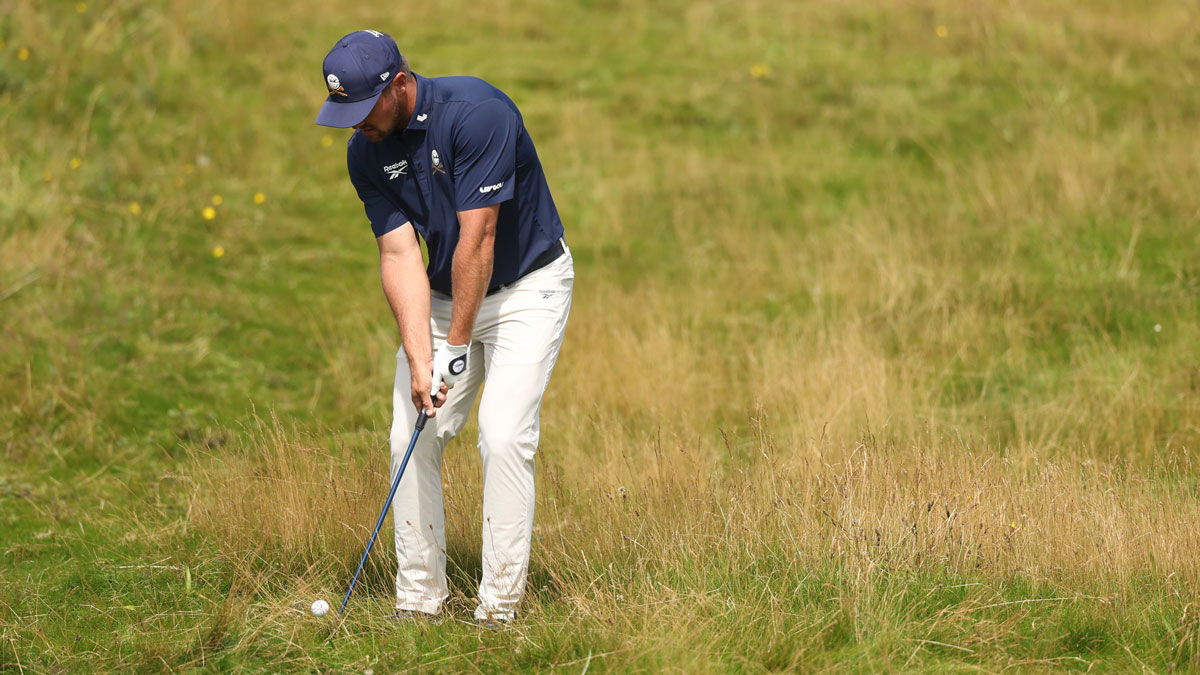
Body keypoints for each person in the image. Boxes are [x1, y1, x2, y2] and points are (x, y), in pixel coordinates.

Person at [315, 30, 573, 625]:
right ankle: (418, 600)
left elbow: (478, 240)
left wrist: (455, 347)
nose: (357, 125)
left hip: (526, 289)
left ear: (400, 85)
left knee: (502, 434)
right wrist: (419, 355)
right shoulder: (365, 152)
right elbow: (399, 253)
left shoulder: (478, 113)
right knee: (411, 434)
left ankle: (498, 610)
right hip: (441, 294)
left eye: (365, 109)